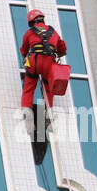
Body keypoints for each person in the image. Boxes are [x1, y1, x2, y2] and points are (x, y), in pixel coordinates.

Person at [20, 9, 68, 160]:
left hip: (34, 61)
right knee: (48, 89)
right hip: (49, 63)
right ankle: (49, 114)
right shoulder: (53, 32)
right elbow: (62, 49)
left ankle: (27, 112)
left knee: (29, 86)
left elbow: (23, 50)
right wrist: (54, 52)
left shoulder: (29, 33)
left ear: (31, 22)